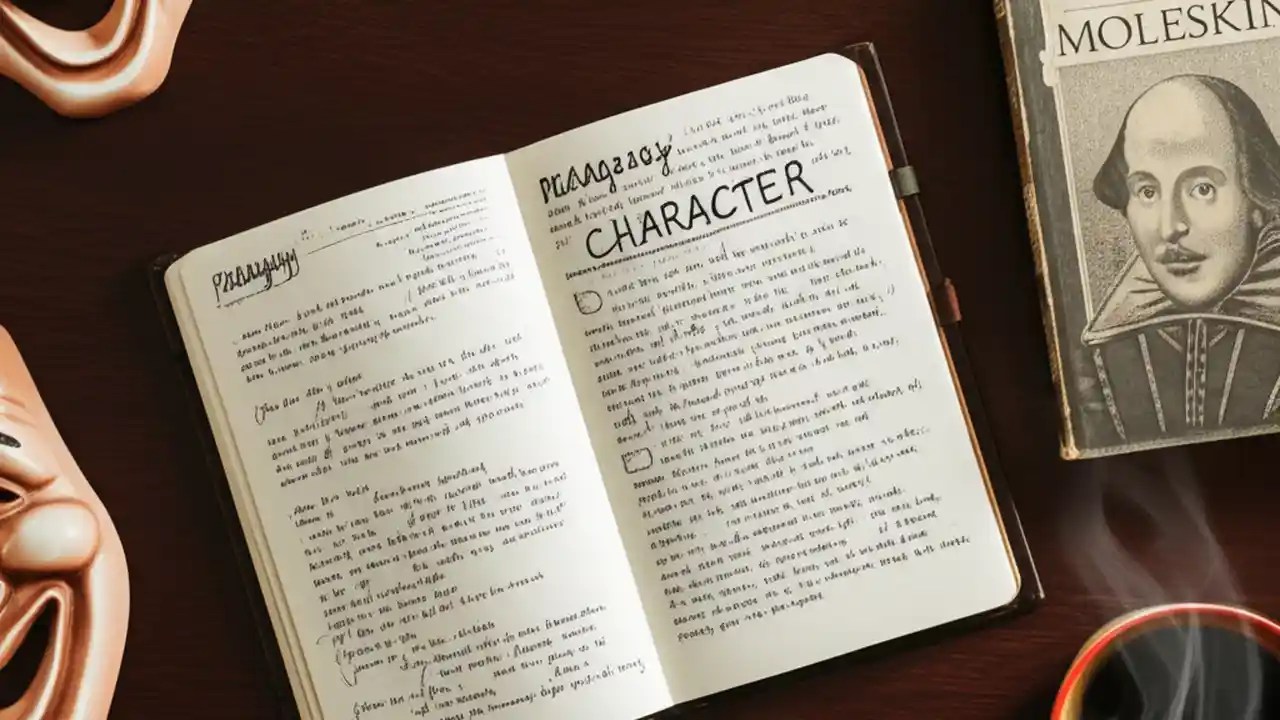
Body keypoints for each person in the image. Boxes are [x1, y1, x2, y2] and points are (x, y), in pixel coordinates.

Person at [1084, 74, 1280, 443]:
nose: (1170, 226)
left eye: (1202, 188)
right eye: (1146, 190)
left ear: (1257, 199)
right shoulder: (1096, 361)